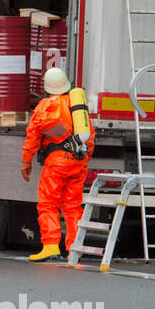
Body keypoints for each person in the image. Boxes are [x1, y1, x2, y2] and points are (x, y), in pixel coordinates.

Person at [21, 67, 93, 261]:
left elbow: (33, 135)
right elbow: (90, 137)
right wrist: (84, 158)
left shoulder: (45, 105)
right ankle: (74, 248)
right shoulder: (77, 106)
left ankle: (51, 246)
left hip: (56, 163)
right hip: (78, 161)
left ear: (47, 87)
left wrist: (26, 160)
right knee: (73, 206)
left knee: (48, 203)